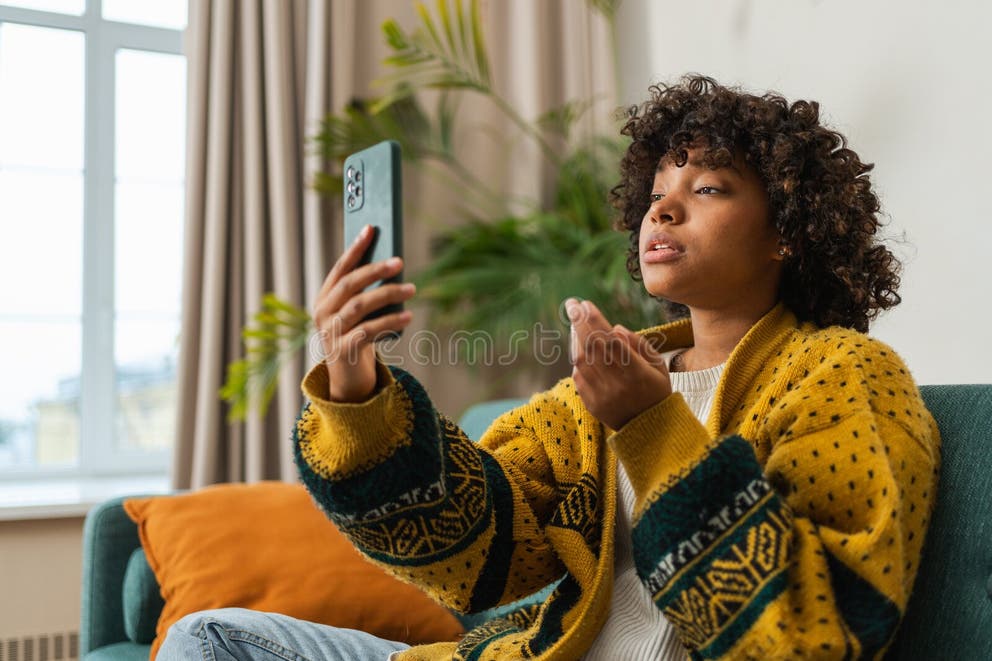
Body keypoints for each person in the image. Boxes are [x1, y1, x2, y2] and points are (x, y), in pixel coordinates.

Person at [159, 75, 939, 660]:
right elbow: (471, 549)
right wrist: (357, 390)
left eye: (707, 188)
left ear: (788, 233)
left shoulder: (845, 374)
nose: (662, 211)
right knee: (211, 639)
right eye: (656, 193)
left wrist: (650, 425)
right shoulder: (597, 391)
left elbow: (818, 631)